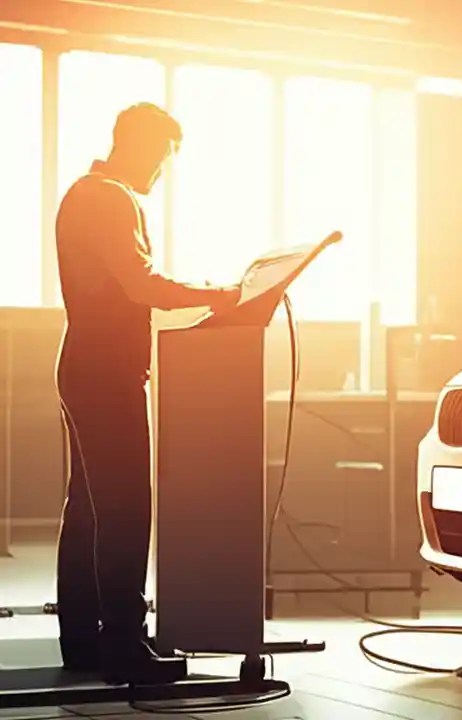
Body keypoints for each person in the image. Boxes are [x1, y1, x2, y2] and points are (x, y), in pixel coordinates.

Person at [54, 102, 240, 684]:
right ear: (139, 146)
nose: (160, 174)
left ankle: (84, 641)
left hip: (84, 365)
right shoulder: (111, 197)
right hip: (106, 374)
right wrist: (220, 296)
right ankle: (125, 647)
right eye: (161, 159)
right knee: (126, 509)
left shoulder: (82, 192)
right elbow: (141, 285)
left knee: (88, 509)